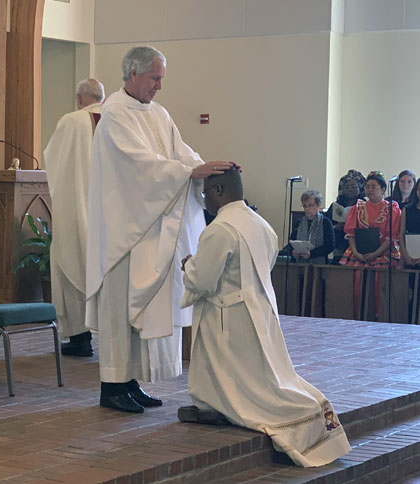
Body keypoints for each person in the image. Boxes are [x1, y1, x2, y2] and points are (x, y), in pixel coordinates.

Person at [85, 45, 233, 413]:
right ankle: (112, 386)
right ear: (133, 73)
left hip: (149, 228)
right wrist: (188, 172)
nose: (159, 86)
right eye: (155, 78)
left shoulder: (158, 113)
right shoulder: (115, 113)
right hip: (124, 231)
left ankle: (130, 382)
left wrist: (206, 170)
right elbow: (139, 166)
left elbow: (180, 152)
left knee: (142, 310)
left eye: (162, 78)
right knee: (121, 308)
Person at [179, 166, 350, 467]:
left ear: (218, 191)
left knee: (246, 382)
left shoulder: (220, 229)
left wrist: (189, 265)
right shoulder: (260, 224)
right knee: (264, 372)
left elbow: (202, 280)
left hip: (227, 314)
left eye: (206, 194)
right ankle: (212, 403)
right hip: (259, 307)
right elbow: (266, 263)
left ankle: (289, 418)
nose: (205, 200)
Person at [42, 78, 105, 357]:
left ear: (79, 99)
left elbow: (54, 159)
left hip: (76, 208)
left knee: (71, 265)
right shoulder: (116, 120)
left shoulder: (71, 121)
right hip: (106, 213)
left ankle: (80, 338)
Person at [339, 172, 401, 319]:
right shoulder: (358, 207)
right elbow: (351, 234)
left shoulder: (391, 208)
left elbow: (391, 236)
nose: (370, 190)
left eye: (374, 187)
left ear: (383, 189)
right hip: (359, 252)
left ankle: (378, 316)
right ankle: (357, 314)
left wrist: (376, 254)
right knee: (356, 283)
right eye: (367, 187)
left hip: (383, 252)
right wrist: (356, 252)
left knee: (379, 284)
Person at [279, 190, 335, 265]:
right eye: (304, 206)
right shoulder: (299, 222)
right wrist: (293, 252)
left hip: (319, 265)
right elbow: (292, 242)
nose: (307, 209)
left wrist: (311, 254)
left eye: (310, 205)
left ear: (318, 205)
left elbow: (330, 246)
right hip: (299, 264)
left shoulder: (325, 222)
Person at [325, 170, 365, 263]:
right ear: (342, 189)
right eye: (346, 187)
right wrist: (336, 226)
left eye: (353, 187)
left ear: (360, 188)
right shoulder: (335, 205)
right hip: (340, 243)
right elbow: (327, 224)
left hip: (359, 243)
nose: (350, 189)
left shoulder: (365, 204)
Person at [399, 181, 420, 267]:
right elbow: (401, 234)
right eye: (419, 189)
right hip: (410, 254)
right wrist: (405, 255)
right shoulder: (407, 209)